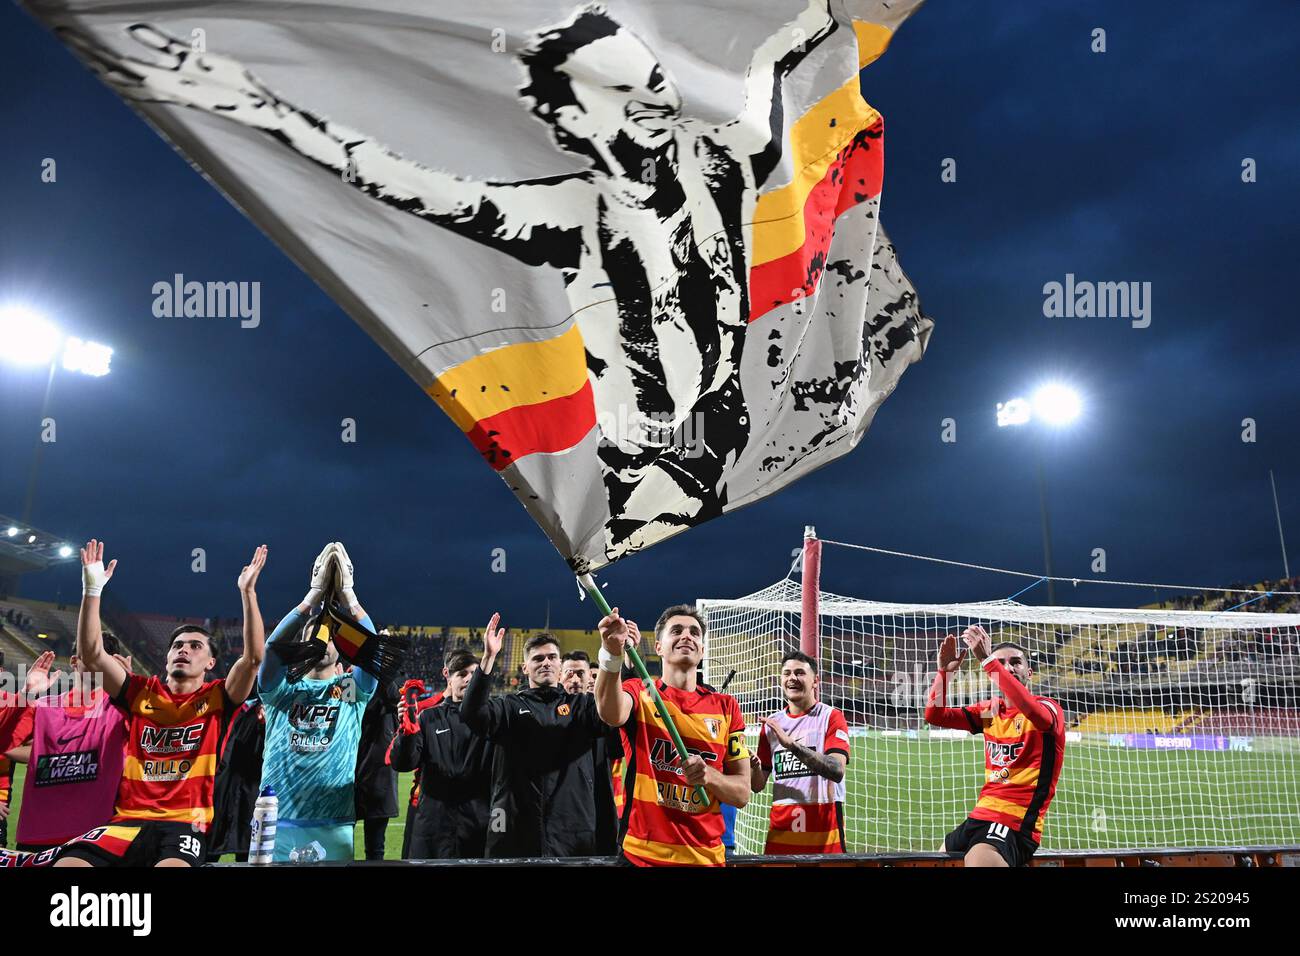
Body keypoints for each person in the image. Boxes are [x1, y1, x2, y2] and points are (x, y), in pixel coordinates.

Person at [54, 539, 266, 867]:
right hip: (125, 822)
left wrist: (248, 593)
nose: (184, 649)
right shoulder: (138, 691)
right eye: (178, 645)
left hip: (185, 824)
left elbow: (253, 659)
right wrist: (91, 590)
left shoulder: (218, 698)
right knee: (68, 866)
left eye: (196, 646)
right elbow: (93, 655)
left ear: (211, 663)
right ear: (167, 656)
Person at [595, 604, 750, 866]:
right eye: (676, 630)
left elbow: (742, 793)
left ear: (702, 648)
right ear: (658, 647)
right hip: (642, 858)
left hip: (706, 858)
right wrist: (611, 654)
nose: (686, 636)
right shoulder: (640, 692)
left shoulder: (726, 707)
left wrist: (709, 776)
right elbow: (610, 713)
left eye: (694, 632)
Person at [257, 542, 378, 863]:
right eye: (314, 634)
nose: (322, 640)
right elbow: (272, 649)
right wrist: (312, 597)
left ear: (340, 648)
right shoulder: (281, 689)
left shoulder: (351, 689)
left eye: (329, 636)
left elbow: (374, 653)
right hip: (277, 818)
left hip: (333, 822)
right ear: (300, 645)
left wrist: (349, 596)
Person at [461, 617, 613, 857]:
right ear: (525, 668)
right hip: (515, 826)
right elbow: (471, 714)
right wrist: (488, 658)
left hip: (572, 827)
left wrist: (612, 655)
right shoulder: (509, 706)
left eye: (552, 657)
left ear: (560, 665)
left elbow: (612, 715)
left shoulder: (582, 707)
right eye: (538, 658)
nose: (546, 663)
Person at [924, 626, 1067, 867]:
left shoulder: (1049, 708)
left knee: (977, 859)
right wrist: (944, 674)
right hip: (979, 817)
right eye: (1002, 662)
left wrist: (990, 661)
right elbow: (935, 715)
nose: (1008, 667)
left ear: (1029, 673)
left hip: (1016, 824)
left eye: (1016, 663)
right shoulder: (991, 711)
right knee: (938, 861)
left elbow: (1034, 713)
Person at [6, 639, 133, 852]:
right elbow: (5, 741)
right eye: (91, 656)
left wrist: (130, 690)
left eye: (104, 660)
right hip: (37, 835)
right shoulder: (43, 706)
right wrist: (26, 693)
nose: (97, 665)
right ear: (74, 661)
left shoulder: (122, 711)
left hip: (96, 838)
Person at [390, 648, 492, 859]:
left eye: (474, 674)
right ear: (449, 678)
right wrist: (406, 731)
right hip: (434, 824)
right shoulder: (429, 717)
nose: (468, 679)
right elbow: (403, 764)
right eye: (462, 674)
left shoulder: (492, 718)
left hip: (476, 823)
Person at [749, 650, 850, 855]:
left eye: (799, 673)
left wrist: (792, 746)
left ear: (815, 681)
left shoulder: (831, 717)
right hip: (782, 830)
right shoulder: (771, 725)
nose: (792, 678)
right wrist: (753, 765)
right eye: (786, 673)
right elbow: (757, 785)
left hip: (824, 830)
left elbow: (836, 770)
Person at [561, 648, 621, 854]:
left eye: (581, 674)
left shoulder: (600, 715)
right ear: (560, 677)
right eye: (569, 673)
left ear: (589, 678)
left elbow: (617, 747)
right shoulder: (549, 714)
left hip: (599, 800)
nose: (575, 679)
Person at [355, 676, 399, 861]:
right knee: (339, 841)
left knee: (375, 848)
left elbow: (393, 695)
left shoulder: (389, 692)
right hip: (349, 776)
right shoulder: (351, 683)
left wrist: (377, 666)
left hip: (378, 778)